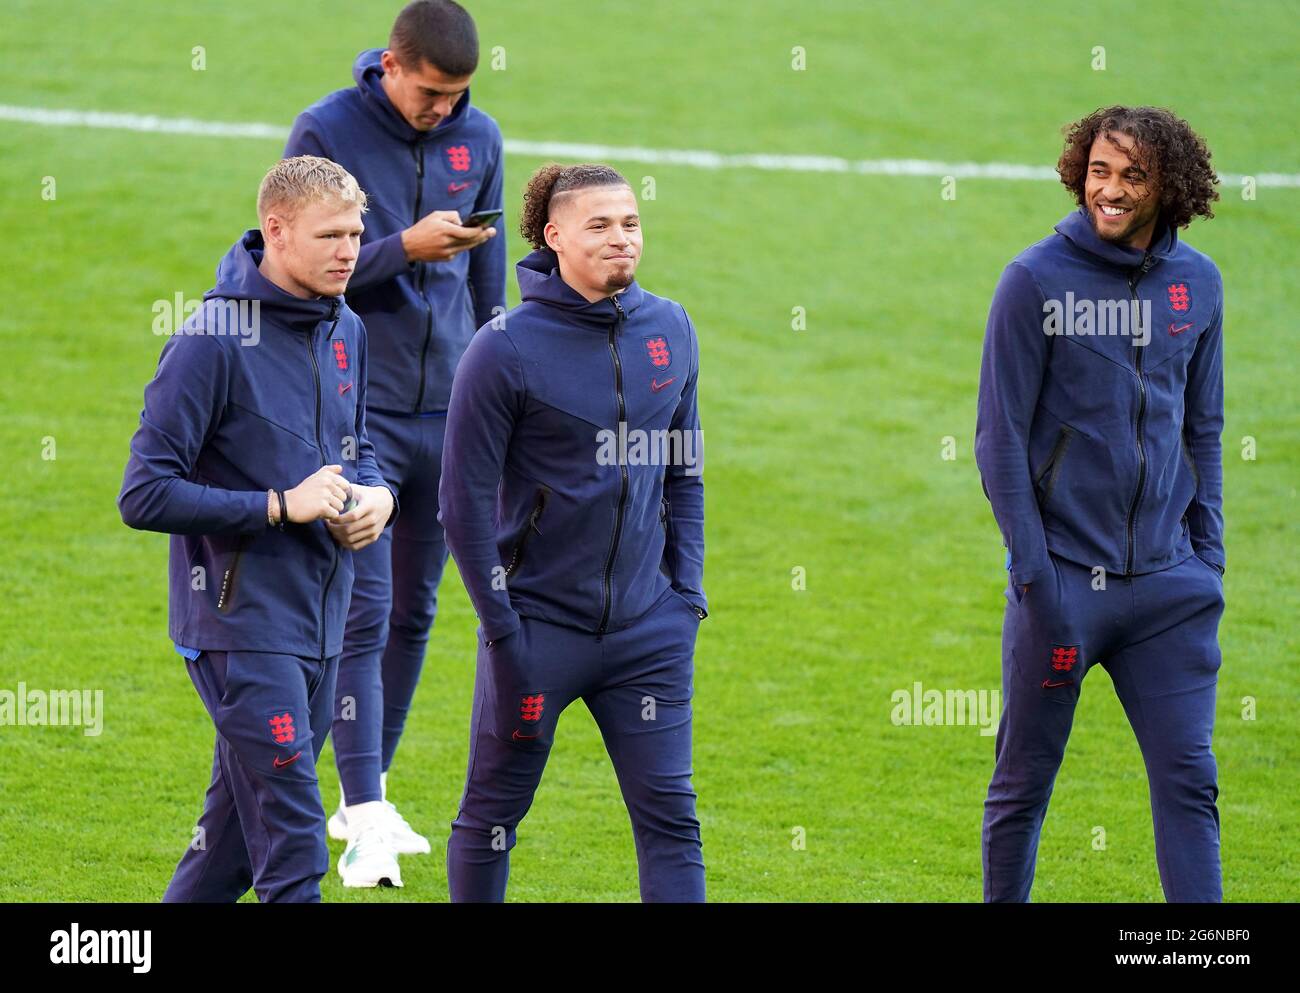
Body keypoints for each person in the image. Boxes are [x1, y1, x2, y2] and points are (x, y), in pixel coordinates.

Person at [118, 155, 397, 902]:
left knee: (229, 855)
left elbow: (358, 445)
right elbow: (143, 493)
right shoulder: (210, 340)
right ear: (275, 230)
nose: (351, 251)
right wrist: (276, 505)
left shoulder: (346, 328)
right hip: (238, 630)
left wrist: (379, 496)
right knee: (295, 846)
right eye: (332, 235)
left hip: (322, 624)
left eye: (358, 233)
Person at [975, 106, 1225, 902]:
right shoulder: (1034, 281)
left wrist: (1208, 558)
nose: (1110, 191)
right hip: (1063, 589)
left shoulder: (1200, 284)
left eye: (1132, 177)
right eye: (1099, 172)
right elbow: (999, 439)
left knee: (1191, 784)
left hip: (1171, 590)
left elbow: (1204, 427)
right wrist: (1035, 575)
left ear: (1170, 188)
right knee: (1023, 788)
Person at [439, 163, 708, 902]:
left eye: (630, 223)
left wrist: (686, 596)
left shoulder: (672, 329)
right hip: (537, 630)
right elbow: (460, 504)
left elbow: (686, 472)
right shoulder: (503, 349)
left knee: (672, 821)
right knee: (493, 817)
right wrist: (503, 633)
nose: (621, 238)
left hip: (650, 630)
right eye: (600, 225)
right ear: (554, 236)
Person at [283, 0, 506, 886]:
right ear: (390, 64)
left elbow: (489, 282)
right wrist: (400, 250)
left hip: (448, 412)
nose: (444, 110)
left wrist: (502, 379)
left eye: (458, 96)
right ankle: (356, 804)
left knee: (415, 613)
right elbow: (294, 262)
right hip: (355, 409)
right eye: (432, 92)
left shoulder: (478, 136)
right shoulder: (326, 129)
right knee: (363, 611)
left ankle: (356, 793)